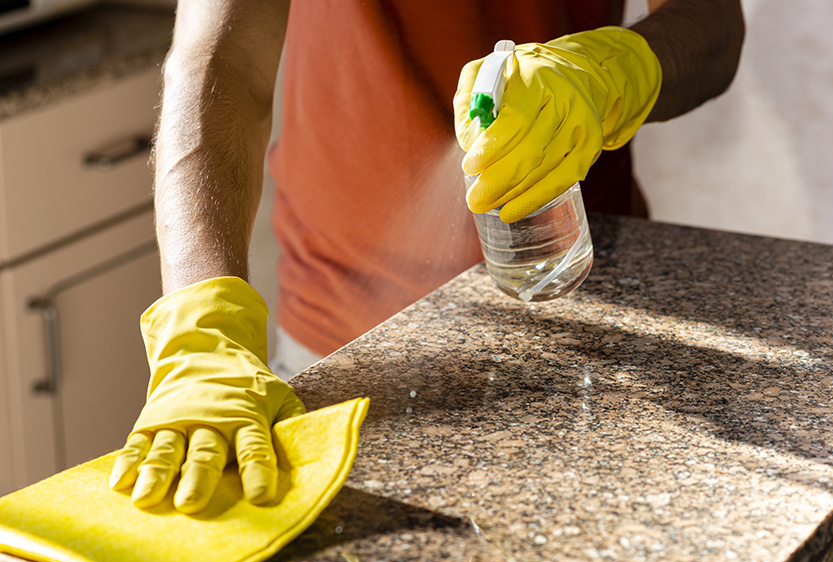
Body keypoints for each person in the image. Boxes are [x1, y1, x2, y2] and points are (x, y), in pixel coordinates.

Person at [107, 0, 745, 514]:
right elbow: (220, 61)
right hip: (351, 349)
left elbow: (714, 23)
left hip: (595, 312)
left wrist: (610, 70)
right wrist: (202, 326)